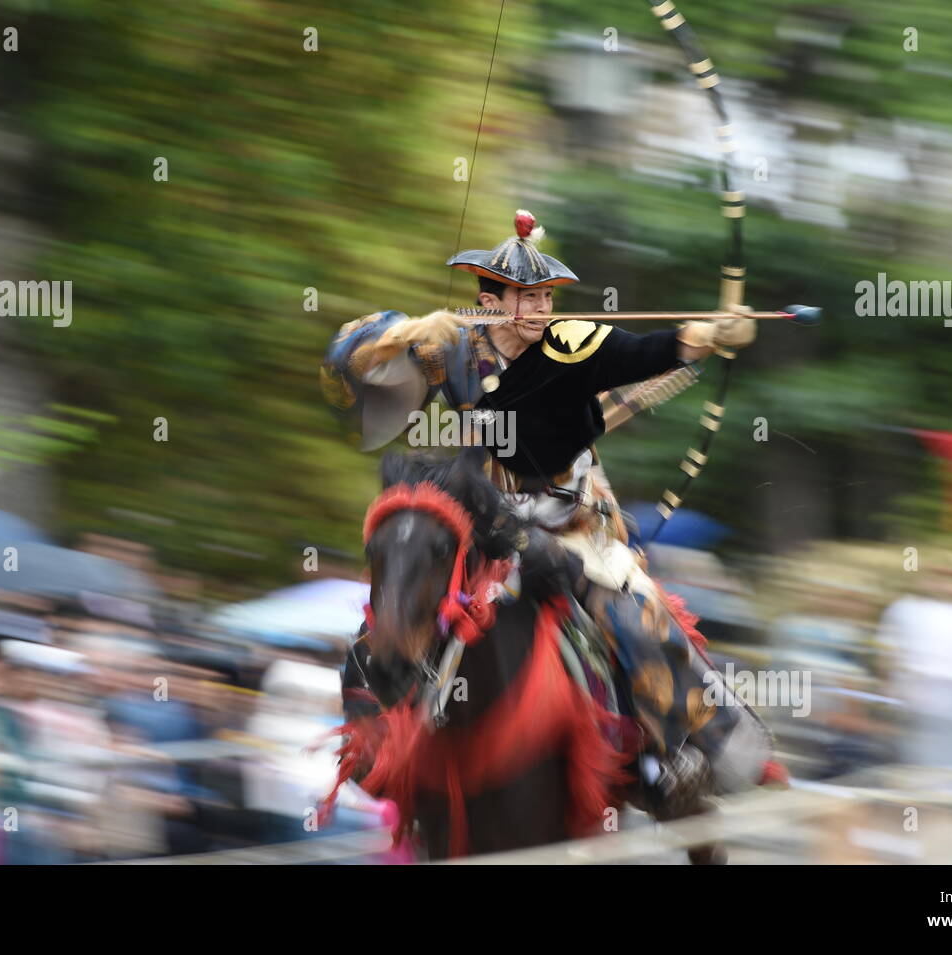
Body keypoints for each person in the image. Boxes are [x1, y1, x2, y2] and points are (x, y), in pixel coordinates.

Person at [322, 210, 775, 819]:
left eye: (545, 296)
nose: (539, 308)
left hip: (569, 515)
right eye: (525, 297)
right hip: (479, 507)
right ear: (490, 301)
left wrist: (716, 332)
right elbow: (354, 365)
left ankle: (668, 757)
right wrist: (404, 332)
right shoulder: (453, 346)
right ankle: (368, 737)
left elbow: (658, 348)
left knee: (631, 610)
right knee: (402, 579)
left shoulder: (574, 345)